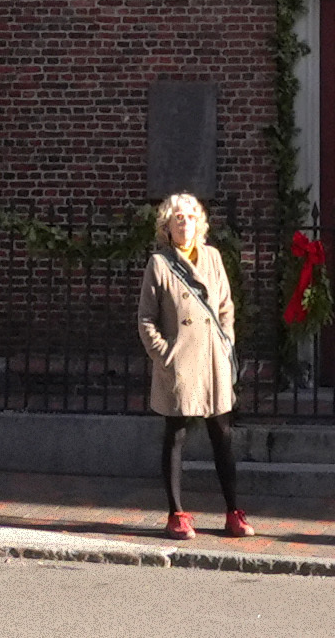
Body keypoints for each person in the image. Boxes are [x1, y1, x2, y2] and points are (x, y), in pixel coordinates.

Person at [142, 192, 249, 538]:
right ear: (167, 227)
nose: (184, 223)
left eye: (189, 216)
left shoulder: (214, 258)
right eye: (177, 218)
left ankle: (233, 511)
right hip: (181, 363)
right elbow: (146, 320)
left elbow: (226, 307)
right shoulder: (159, 264)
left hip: (212, 361)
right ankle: (176, 514)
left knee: (223, 436)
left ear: (199, 223)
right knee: (176, 435)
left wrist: (226, 342)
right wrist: (165, 355)